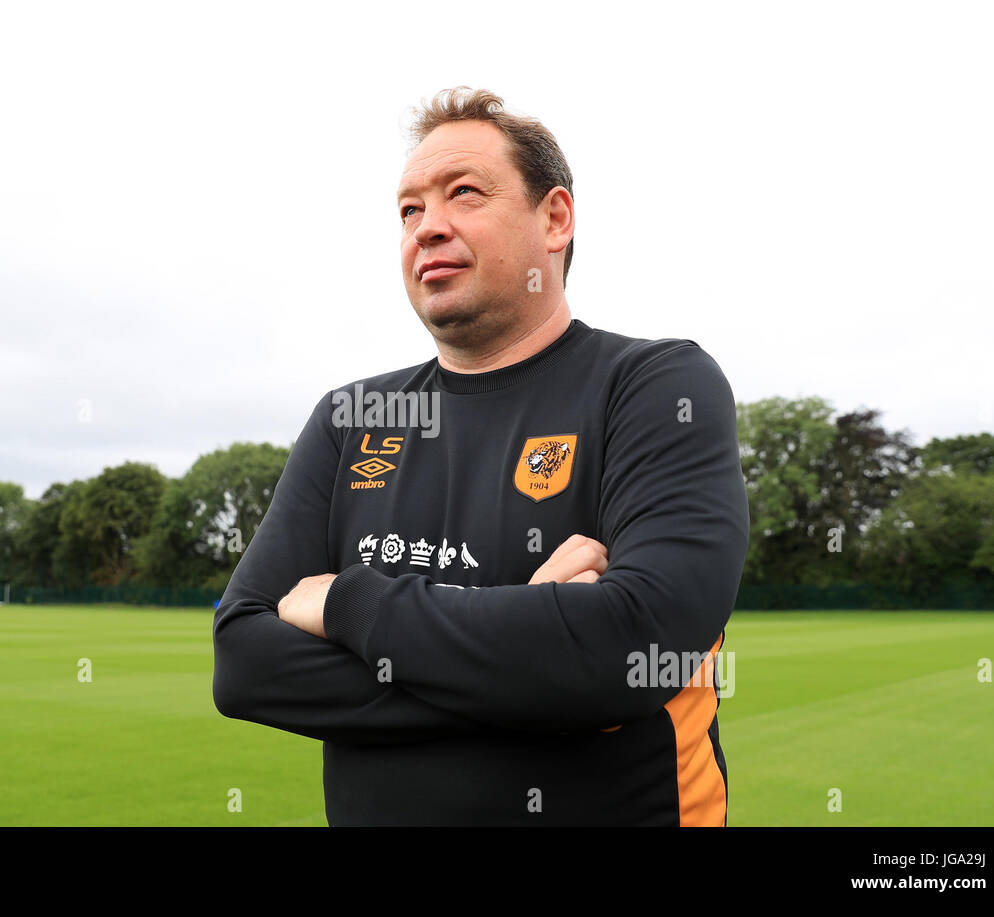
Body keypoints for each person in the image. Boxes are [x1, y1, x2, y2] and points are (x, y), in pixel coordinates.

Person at [212, 87, 750, 826]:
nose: (428, 227)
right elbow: (245, 665)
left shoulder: (654, 385)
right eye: (409, 209)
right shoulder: (353, 419)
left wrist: (347, 601)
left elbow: (629, 648)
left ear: (554, 218)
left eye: (463, 194)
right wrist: (540, 658)